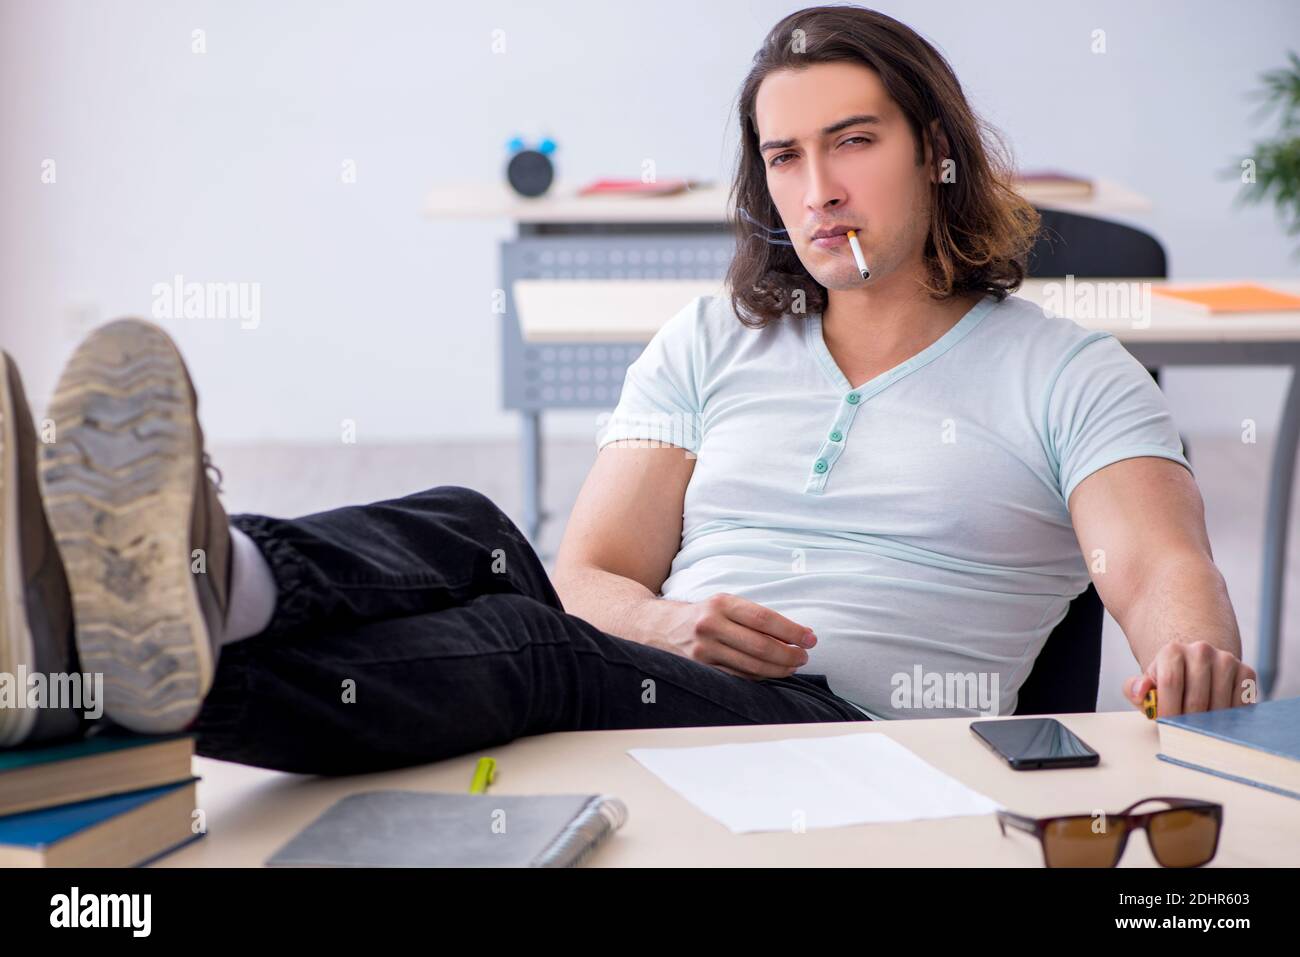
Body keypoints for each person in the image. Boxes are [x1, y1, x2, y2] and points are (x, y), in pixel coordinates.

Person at [0, 6, 1255, 775]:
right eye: (782, 156)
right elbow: (591, 567)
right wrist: (666, 624)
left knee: (534, 650)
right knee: (475, 530)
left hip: (864, 740)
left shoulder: (1069, 366)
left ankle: (131, 624)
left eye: (851, 142)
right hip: (681, 677)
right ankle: (166, 608)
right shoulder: (715, 337)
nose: (814, 186)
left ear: (933, 149)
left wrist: (1190, 653)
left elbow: (1153, 569)